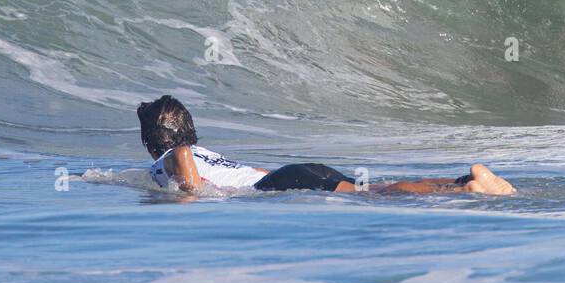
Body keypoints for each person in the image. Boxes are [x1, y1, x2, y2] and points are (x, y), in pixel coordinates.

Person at [136, 95, 515, 196]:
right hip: (292, 173)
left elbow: (180, 156)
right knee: (375, 189)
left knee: (374, 195)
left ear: (150, 142)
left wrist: (189, 193)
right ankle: (460, 181)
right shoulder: (209, 155)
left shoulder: (172, 156)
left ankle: (465, 189)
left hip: (280, 181)